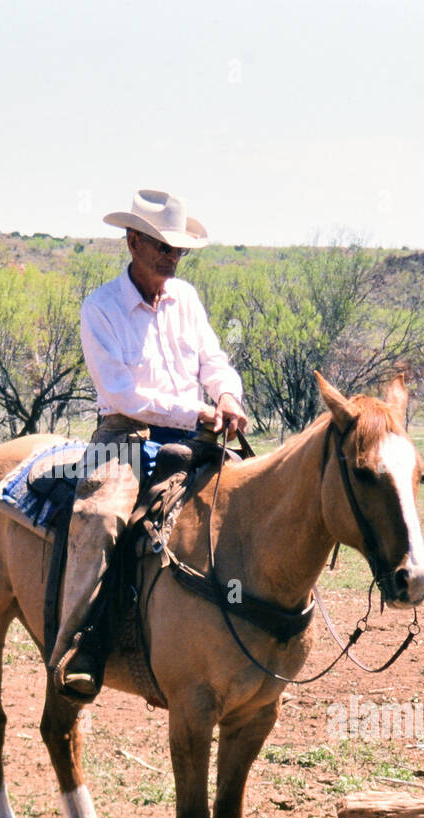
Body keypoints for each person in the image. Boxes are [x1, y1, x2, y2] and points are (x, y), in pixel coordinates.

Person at [48, 188, 249, 700]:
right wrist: (197, 410)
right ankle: (82, 645)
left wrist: (226, 395)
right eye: (161, 245)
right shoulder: (102, 308)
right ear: (133, 242)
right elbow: (122, 392)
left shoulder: (186, 300)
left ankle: (253, 627)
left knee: (256, 501)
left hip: (196, 432)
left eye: (177, 248)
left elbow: (213, 359)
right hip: (125, 433)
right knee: (102, 518)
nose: (171, 256)